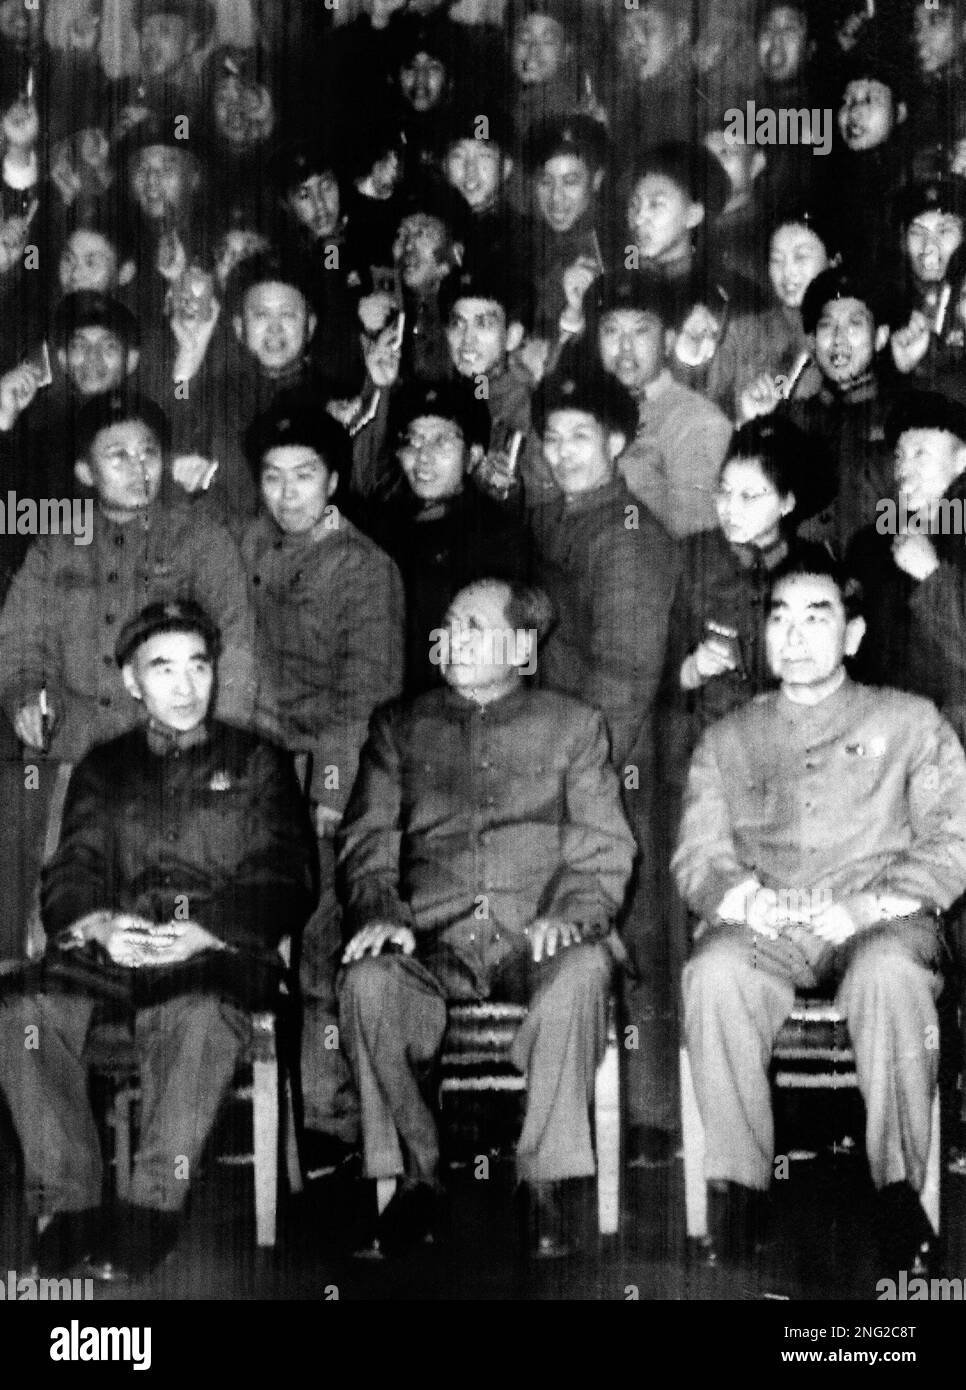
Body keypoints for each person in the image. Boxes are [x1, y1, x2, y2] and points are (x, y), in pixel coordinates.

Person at [0, 598, 315, 1280]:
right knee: (18, 1013)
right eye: (163, 669)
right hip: (119, 955)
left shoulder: (259, 762)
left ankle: (150, 1210)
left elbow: (286, 874)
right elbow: (73, 870)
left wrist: (203, 932)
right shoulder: (103, 766)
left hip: (216, 957)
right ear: (132, 682)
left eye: (198, 666)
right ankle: (73, 1203)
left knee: (200, 1018)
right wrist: (101, 925)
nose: (186, 686)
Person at [674, 548, 966, 1277]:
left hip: (881, 919)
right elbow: (697, 859)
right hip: (769, 924)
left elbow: (955, 838)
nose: (795, 636)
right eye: (779, 619)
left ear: (855, 635)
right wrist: (746, 899)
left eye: (817, 617)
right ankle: (739, 1190)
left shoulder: (911, 720)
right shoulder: (727, 736)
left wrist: (869, 905)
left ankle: (898, 1188)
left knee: (891, 975)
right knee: (714, 973)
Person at [336, 577, 636, 1257]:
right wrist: (381, 913)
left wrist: (573, 911)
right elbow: (366, 843)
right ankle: (420, 1180)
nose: (451, 640)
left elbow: (603, 847)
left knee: (585, 970)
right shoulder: (399, 726)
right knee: (368, 982)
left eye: (473, 627)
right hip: (431, 939)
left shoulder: (574, 725)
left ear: (524, 647)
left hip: (537, 937)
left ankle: (542, 1183)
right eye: (447, 625)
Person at [240, 392, 405, 1176]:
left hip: (322, 784)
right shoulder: (247, 547)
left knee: (317, 952)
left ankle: (332, 1124)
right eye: (272, 478)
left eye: (304, 476)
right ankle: (264, 1117)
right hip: (251, 781)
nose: (287, 494)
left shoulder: (365, 568)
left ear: (333, 480)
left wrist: (331, 801)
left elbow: (367, 701)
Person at [528, 368, 679, 1163]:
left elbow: (624, 679)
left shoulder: (623, 534)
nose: (562, 453)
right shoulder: (565, 518)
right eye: (550, 439)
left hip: (618, 766)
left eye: (579, 437)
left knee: (636, 928)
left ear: (617, 444)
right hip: (573, 756)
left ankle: (651, 1120)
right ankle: (596, 1112)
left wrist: (577, 784)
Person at [578, 271, 733, 537]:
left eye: (641, 330)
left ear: (668, 342)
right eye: (611, 330)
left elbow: (697, 538)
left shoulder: (698, 421)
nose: (625, 346)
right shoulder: (583, 409)